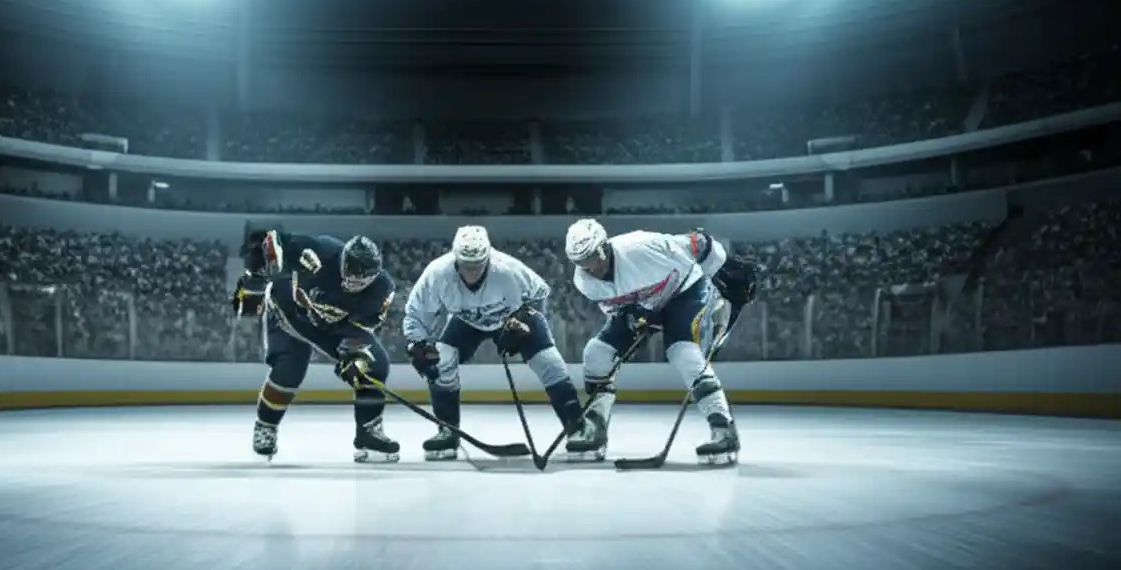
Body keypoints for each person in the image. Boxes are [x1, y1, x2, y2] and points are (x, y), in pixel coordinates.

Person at [563, 218, 756, 464]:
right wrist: (638, 315)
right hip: (639, 307)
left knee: (683, 354)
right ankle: (594, 426)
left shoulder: (641, 248)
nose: (591, 267)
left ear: (606, 245)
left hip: (684, 295)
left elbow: (697, 252)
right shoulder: (584, 281)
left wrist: (720, 266)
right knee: (596, 353)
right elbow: (617, 309)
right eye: (581, 262)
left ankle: (723, 427)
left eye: (593, 256)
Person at [402, 225, 584, 460]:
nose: (472, 272)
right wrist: (417, 344)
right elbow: (417, 313)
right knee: (442, 359)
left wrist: (521, 322)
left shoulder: (507, 269)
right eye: (465, 265)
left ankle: (577, 427)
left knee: (549, 363)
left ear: (488, 256)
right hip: (466, 321)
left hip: (512, 318)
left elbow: (539, 294)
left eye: (477, 265)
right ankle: (447, 430)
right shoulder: (437, 273)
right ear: (454, 258)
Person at [232, 229, 398, 462]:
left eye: (362, 275)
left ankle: (368, 433)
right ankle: (266, 425)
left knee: (374, 365)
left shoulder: (382, 289)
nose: (353, 278)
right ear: (342, 259)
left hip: (332, 327)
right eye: (350, 270)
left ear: (375, 274)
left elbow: (361, 331)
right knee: (288, 369)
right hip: (288, 314)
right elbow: (273, 240)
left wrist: (354, 359)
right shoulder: (319, 251)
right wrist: (259, 273)